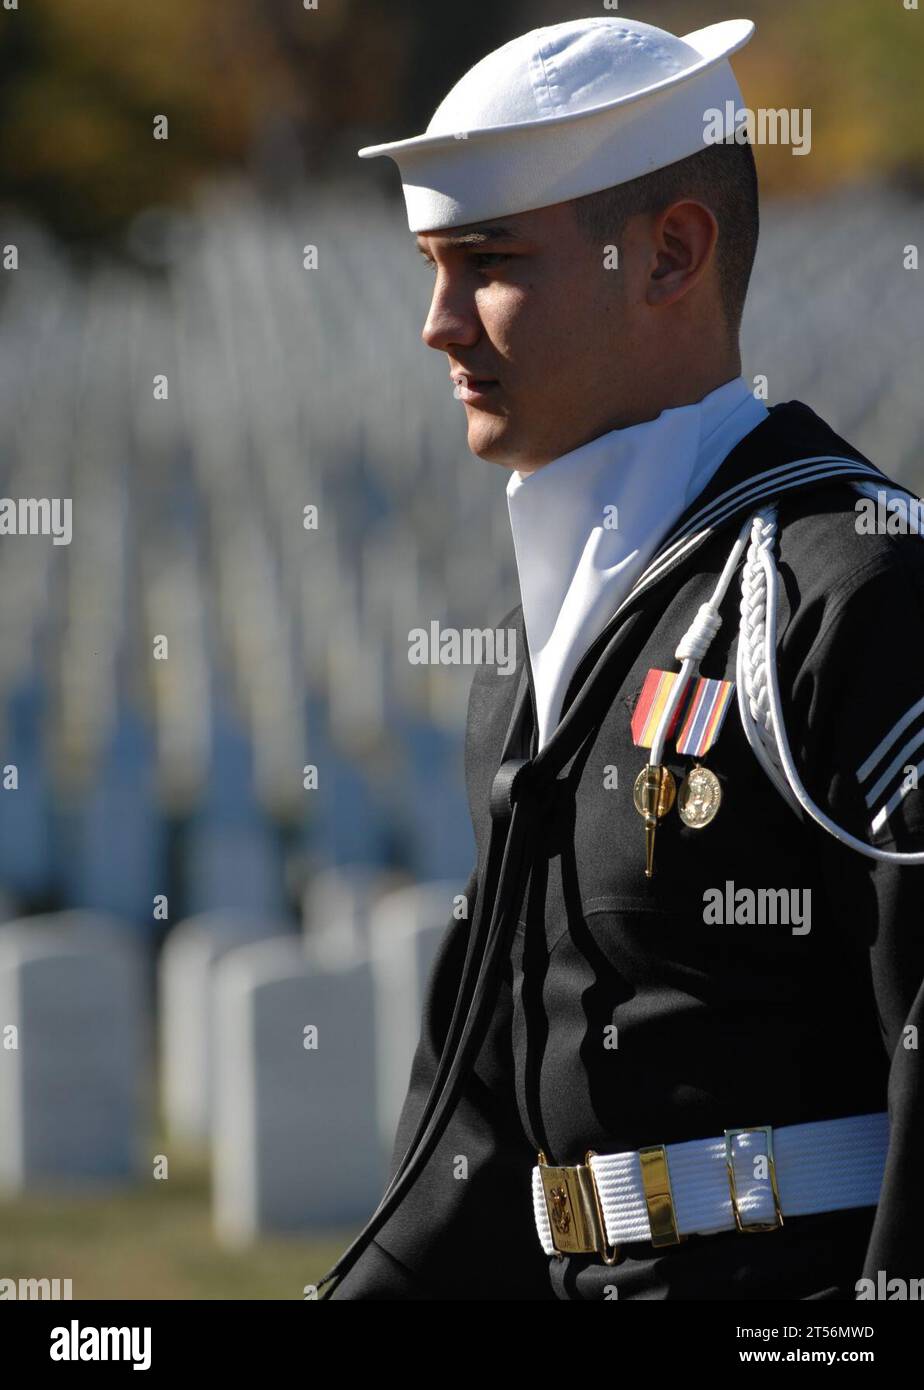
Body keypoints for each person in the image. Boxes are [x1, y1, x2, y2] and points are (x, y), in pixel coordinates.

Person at [320, 15, 924, 1300]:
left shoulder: (858, 589)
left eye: (485, 262)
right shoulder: (541, 649)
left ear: (670, 253)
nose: (436, 323)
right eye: (431, 265)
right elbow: (469, 1141)